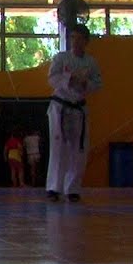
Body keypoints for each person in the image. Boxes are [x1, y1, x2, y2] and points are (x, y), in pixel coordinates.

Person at [46, 23, 103, 203]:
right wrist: (70, 78)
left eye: (79, 38)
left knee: (78, 149)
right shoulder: (61, 58)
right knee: (58, 147)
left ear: (86, 41)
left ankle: (73, 189)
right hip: (60, 106)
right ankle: (54, 188)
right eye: (72, 37)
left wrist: (86, 83)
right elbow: (52, 78)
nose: (75, 41)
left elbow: (98, 84)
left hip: (78, 108)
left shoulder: (91, 62)